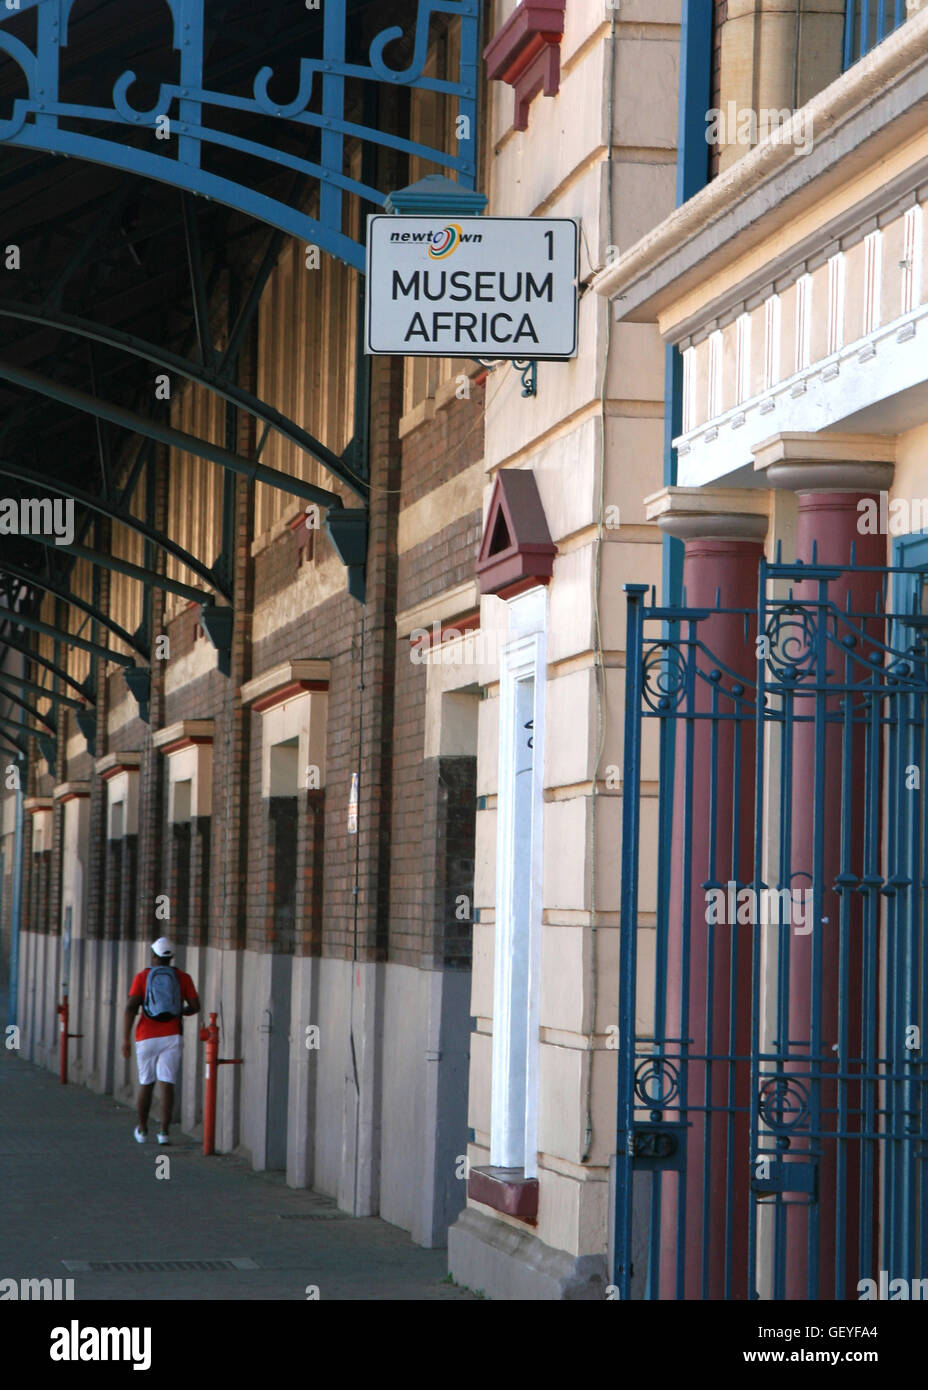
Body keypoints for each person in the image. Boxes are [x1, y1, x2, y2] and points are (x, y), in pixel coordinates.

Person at [122, 937, 199, 1145]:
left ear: (154, 956)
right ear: (171, 957)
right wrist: (178, 1012)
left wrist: (125, 1039)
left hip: (145, 1037)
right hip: (172, 1035)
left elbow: (130, 1007)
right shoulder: (183, 977)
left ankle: (142, 1128)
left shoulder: (142, 977)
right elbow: (195, 1005)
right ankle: (164, 1133)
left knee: (146, 1083)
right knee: (167, 1084)